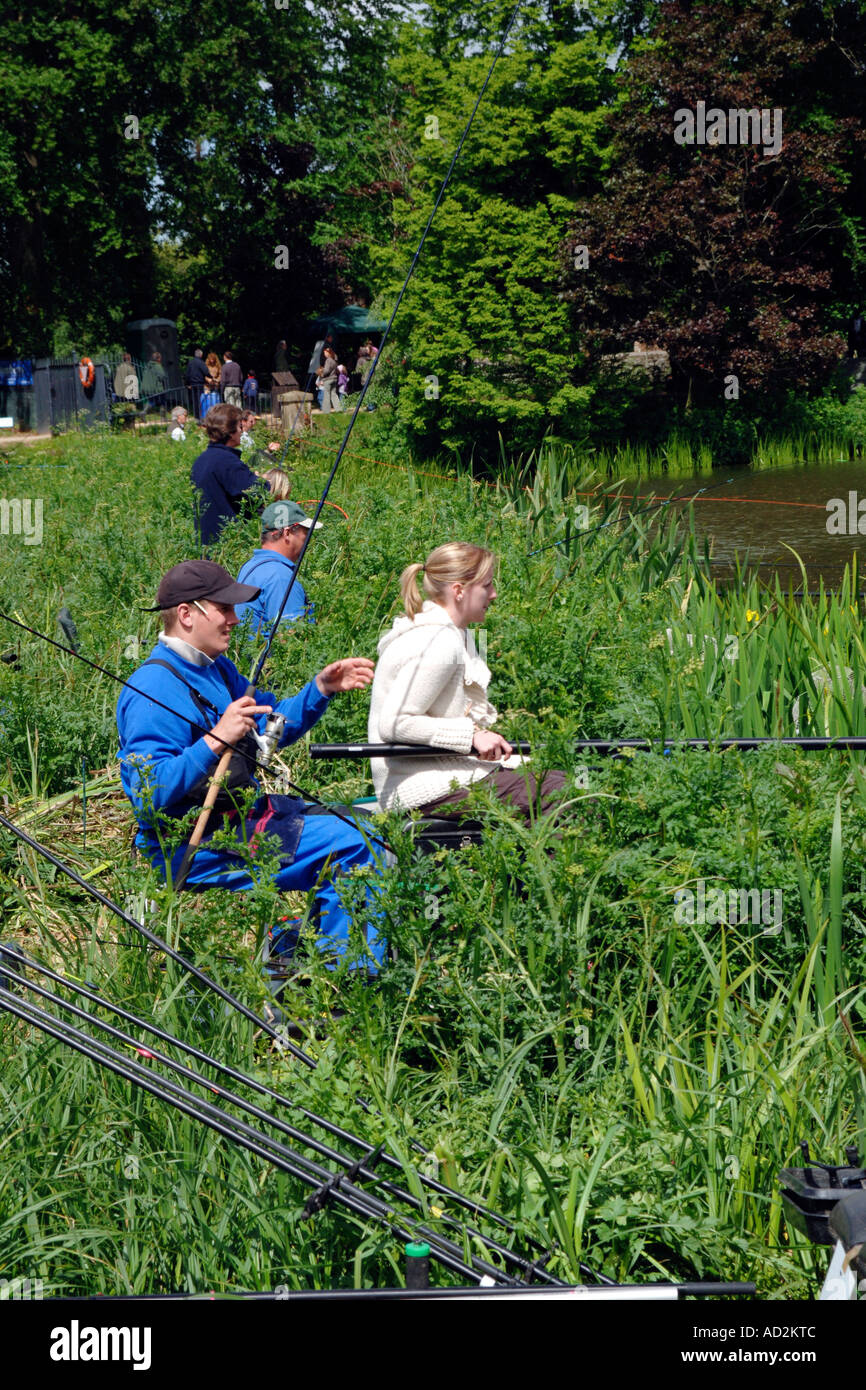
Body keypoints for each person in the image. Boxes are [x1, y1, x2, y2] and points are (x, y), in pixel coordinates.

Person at [116, 560, 385, 974]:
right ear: (187, 614)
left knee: (368, 828)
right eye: (223, 608)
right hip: (190, 844)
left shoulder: (215, 667)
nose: (235, 619)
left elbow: (270, 725)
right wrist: (214, 740)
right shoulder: (153, 688)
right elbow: (147, 795)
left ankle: (302, 956)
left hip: (241, 817)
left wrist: (321, 689)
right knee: (355, 848)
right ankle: (349, 990)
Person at [367, 542, 567, 820]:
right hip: (422, 788)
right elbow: (395, 722)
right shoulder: (437, 642)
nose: (494, 594)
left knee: (568, 777)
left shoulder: (453, 634)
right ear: (459, 591)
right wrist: (472, 736)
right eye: (486, 585)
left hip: (444, 774)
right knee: (565, 791)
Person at [235, 501, 321, 638]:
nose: (308, 543)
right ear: (287, 533)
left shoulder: (250, 566)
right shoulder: (280, 576)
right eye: (306, 535)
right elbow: (291, 639)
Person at [191, 402, 267, 547]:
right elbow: (260, 491)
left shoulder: (201, 460)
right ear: (230, 432)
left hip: (206, 542)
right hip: (226, 544)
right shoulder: (227, 462)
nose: (241, 431)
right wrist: (263, 479)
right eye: (239, 427)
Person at [184, 349, 209, 418]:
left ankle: (196, 416)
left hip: (192, 384)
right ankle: (200, 415)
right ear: (201, 355)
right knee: (200, 400)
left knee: (194, 400)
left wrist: (187, 383)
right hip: (199, 383)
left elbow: (187, 374)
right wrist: (211, 377)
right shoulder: (201, 362)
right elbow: (206, 372)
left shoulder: (190, 362)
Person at [319, 347, 341, 413]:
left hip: (328, 380)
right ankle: (338, 409)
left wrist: (321, 373)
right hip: (334, 379)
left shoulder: (328, 360)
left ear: (328, 353)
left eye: (325, 353)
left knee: (327, 395)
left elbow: (326, 371)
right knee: (334, 394)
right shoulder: (334, 361)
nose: (324, 354)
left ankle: (326, 411)